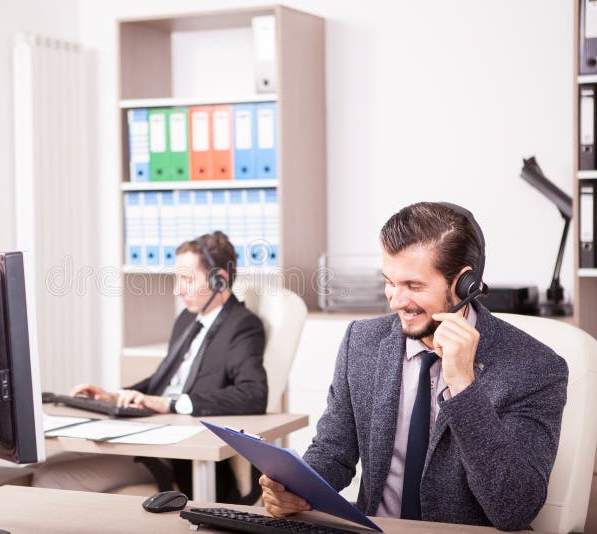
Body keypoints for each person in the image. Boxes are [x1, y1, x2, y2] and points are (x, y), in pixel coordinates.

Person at [260, 202, 568, 531]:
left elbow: (515, 509)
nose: (395, 300)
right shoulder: (362, 342)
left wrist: (465, 387)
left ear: (466, 284)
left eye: (414, 286)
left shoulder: (535, 368)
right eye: (390, 281)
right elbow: (334, 451)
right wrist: (295, 489)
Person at [33, 231, 268, 499]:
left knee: (51, 478)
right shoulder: (187, 321)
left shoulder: (242, 325)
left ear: (219, 279)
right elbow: (162, 380)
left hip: (176, 453)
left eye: (187, 280)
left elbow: (254, 394)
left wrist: (171, 403)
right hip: (148, 435)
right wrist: (115, 396)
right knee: (44, 465)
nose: (177, 290)